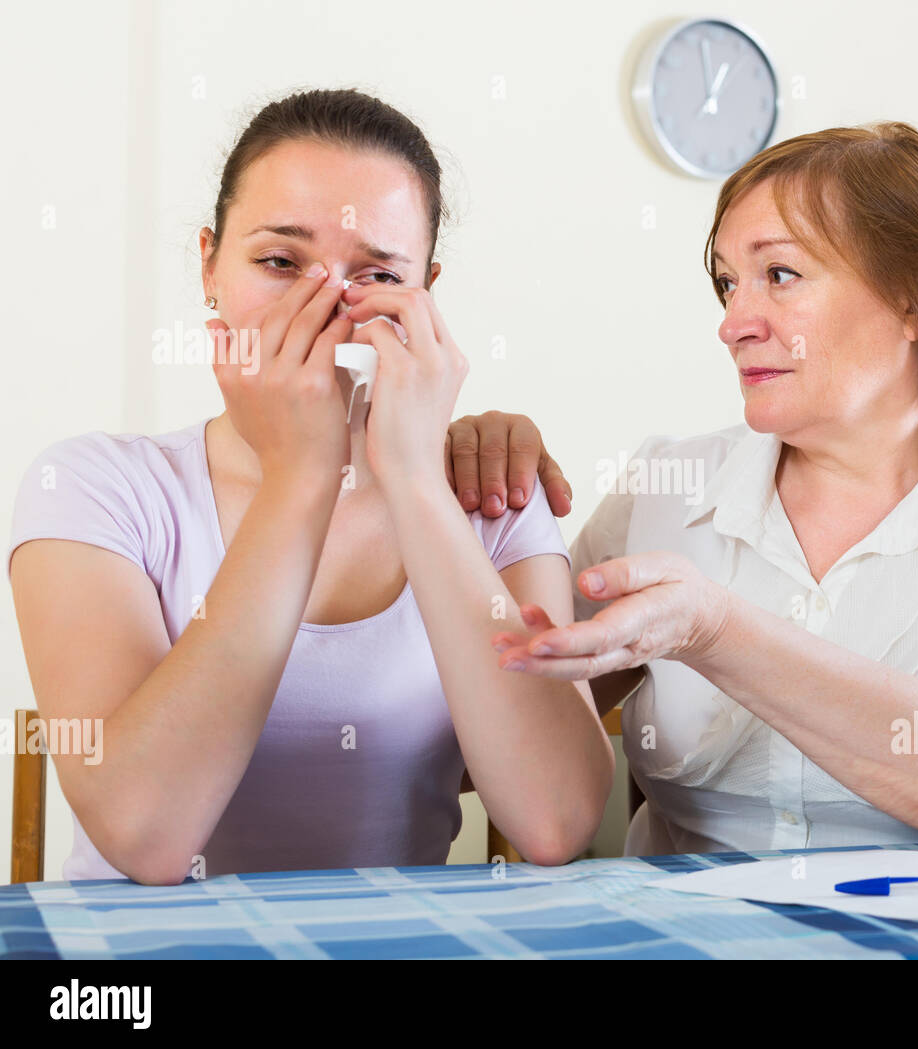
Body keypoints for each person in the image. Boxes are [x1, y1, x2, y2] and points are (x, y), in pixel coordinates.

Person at [447, 123, 918, 855]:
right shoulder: (664, 486)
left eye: (779, 274)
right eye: (726, 282)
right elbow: (481, 741)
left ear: (917, 299)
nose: (732, 324)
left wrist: (715, 631)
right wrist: (443, 508)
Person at [6, 88, 613, 884]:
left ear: (423, 294)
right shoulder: (94, 487)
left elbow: (556, 819)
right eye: (280, 262)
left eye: (375, 276)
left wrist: (415, 484)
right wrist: (301, 475)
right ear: (208, 266)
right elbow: (147, 833)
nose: (322, 306)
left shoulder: (488, 490)